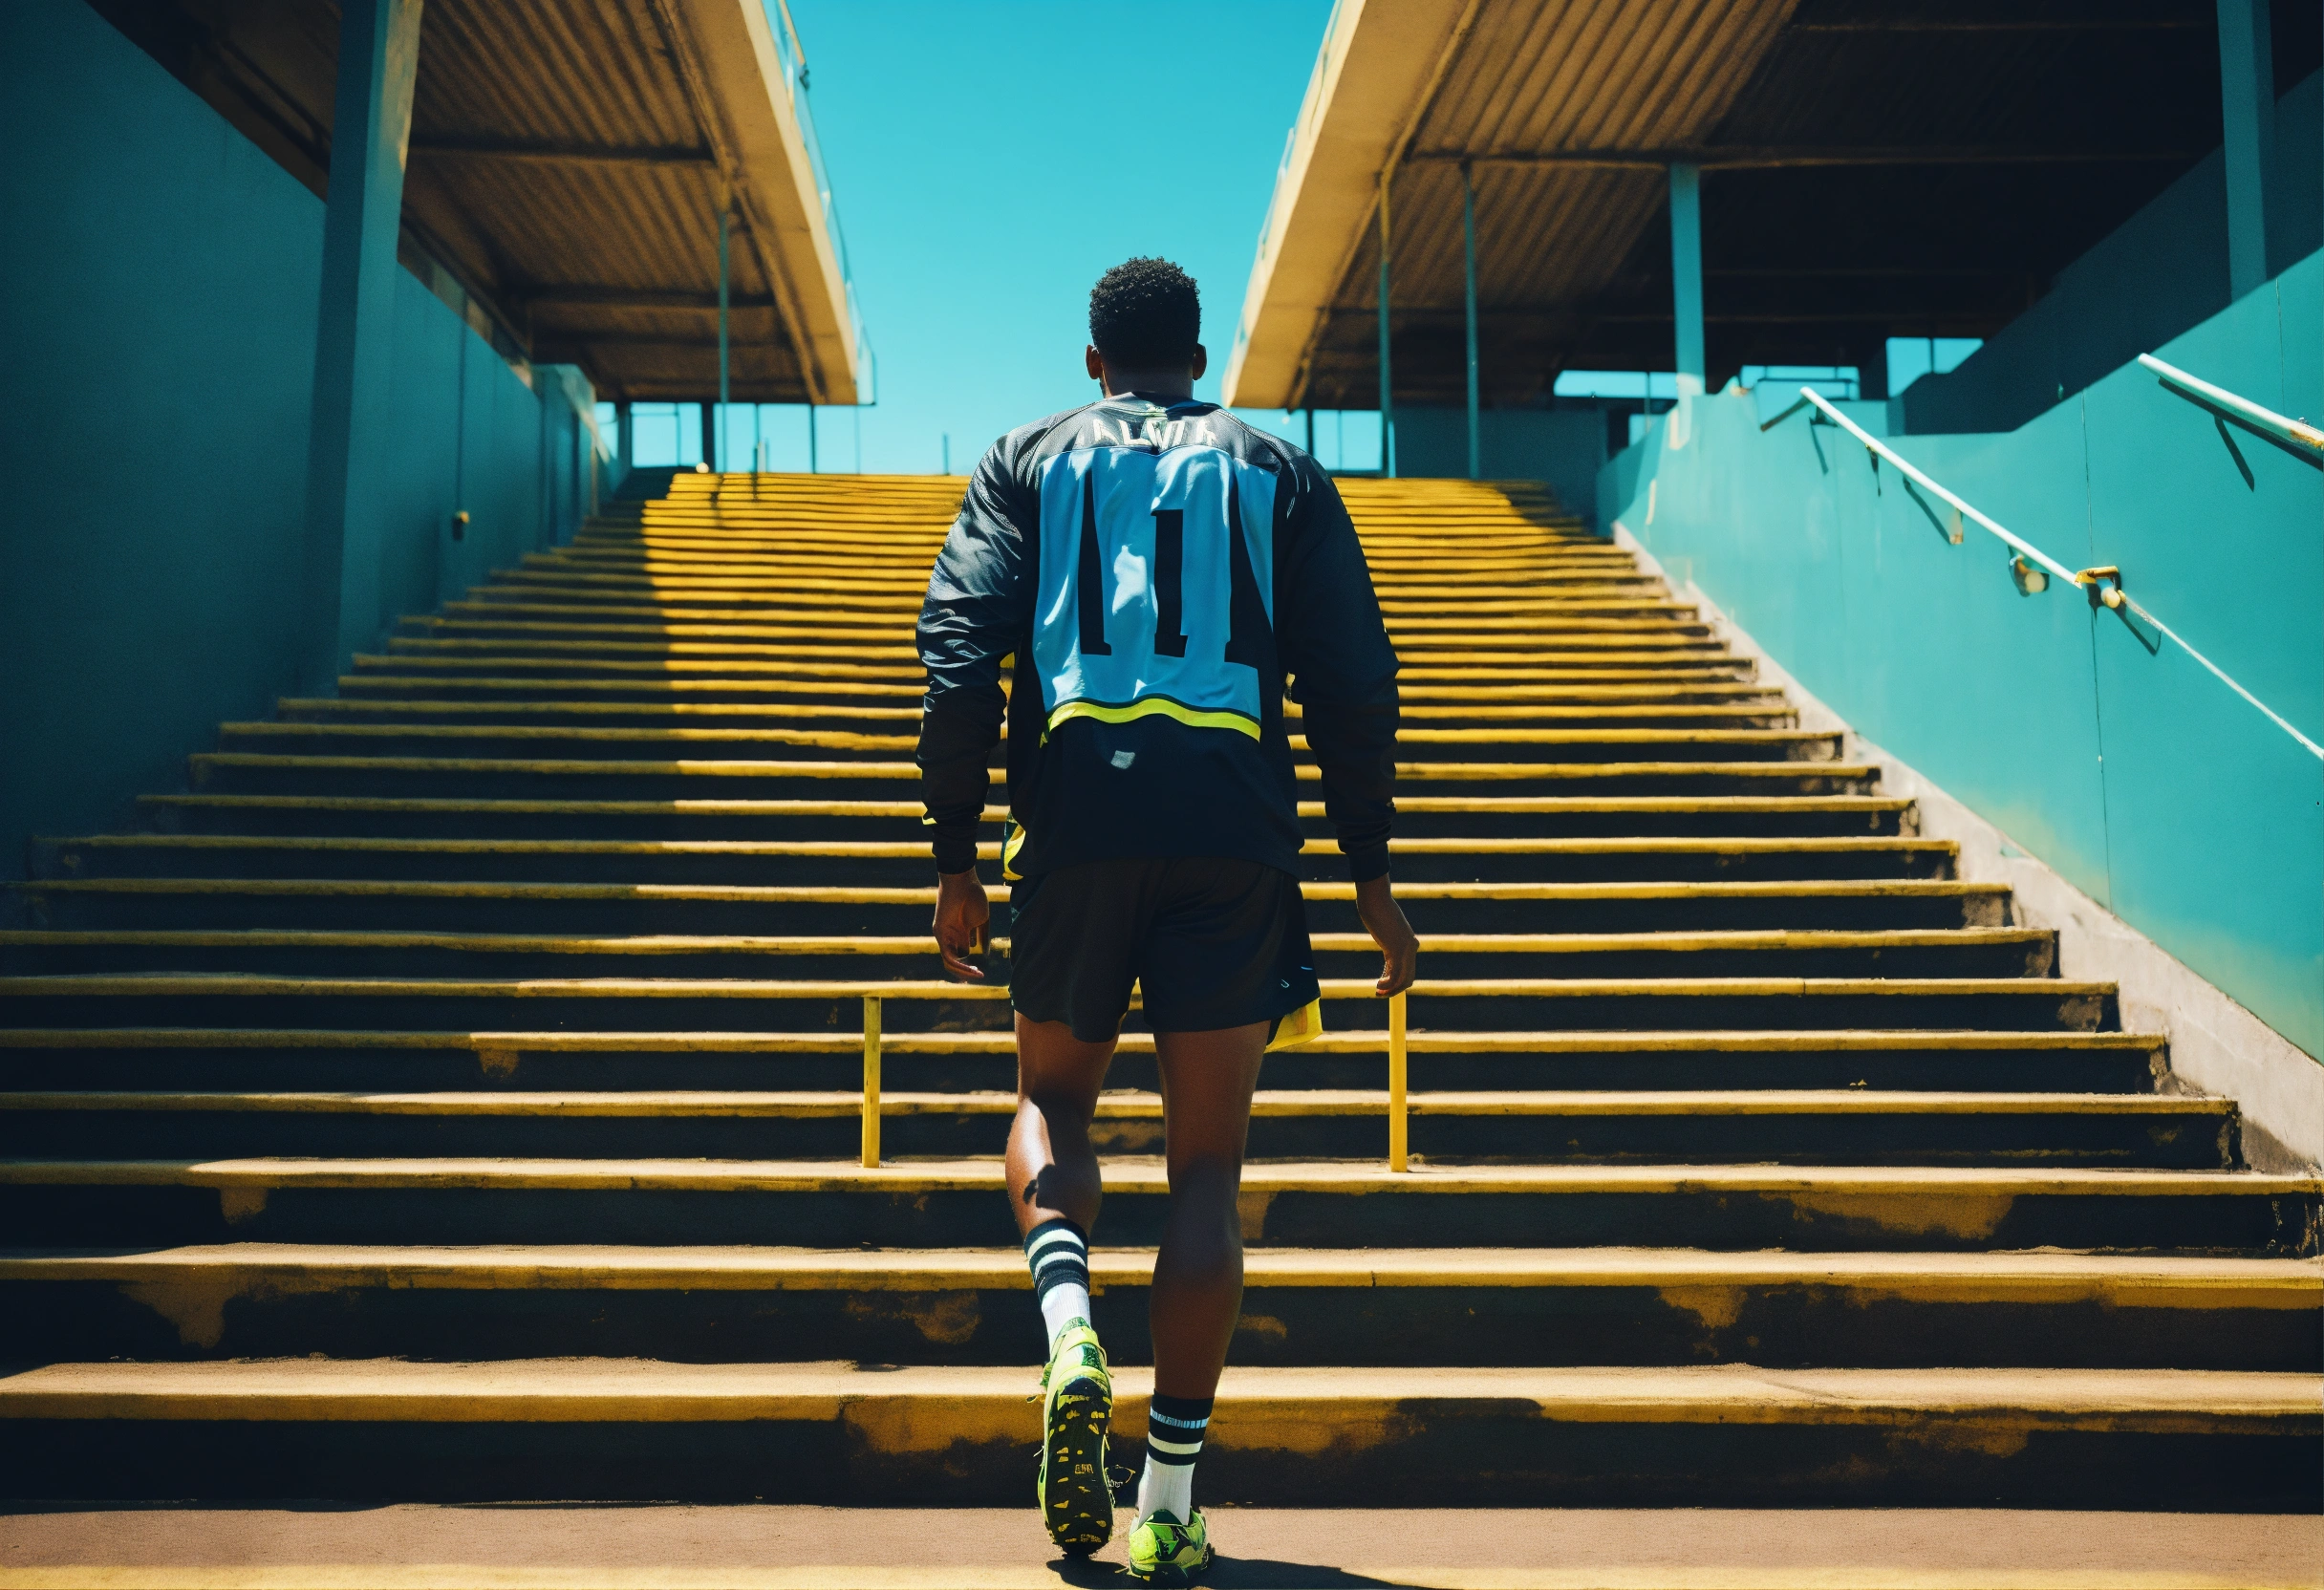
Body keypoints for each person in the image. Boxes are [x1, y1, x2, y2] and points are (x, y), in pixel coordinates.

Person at [915, 256, 1415, 1584]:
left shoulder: (1027, 456)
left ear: (1095, 360)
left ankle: (1069, 1319)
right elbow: (1358, 681)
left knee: (1052, 1105)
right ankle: (1172, 1502)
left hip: (1075, 819)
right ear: (1202, 354)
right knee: (1207, 1170)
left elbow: (962, 652)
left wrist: (955, 851)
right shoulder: (1279, 468)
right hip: (1235, 829)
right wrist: (1370, 875)